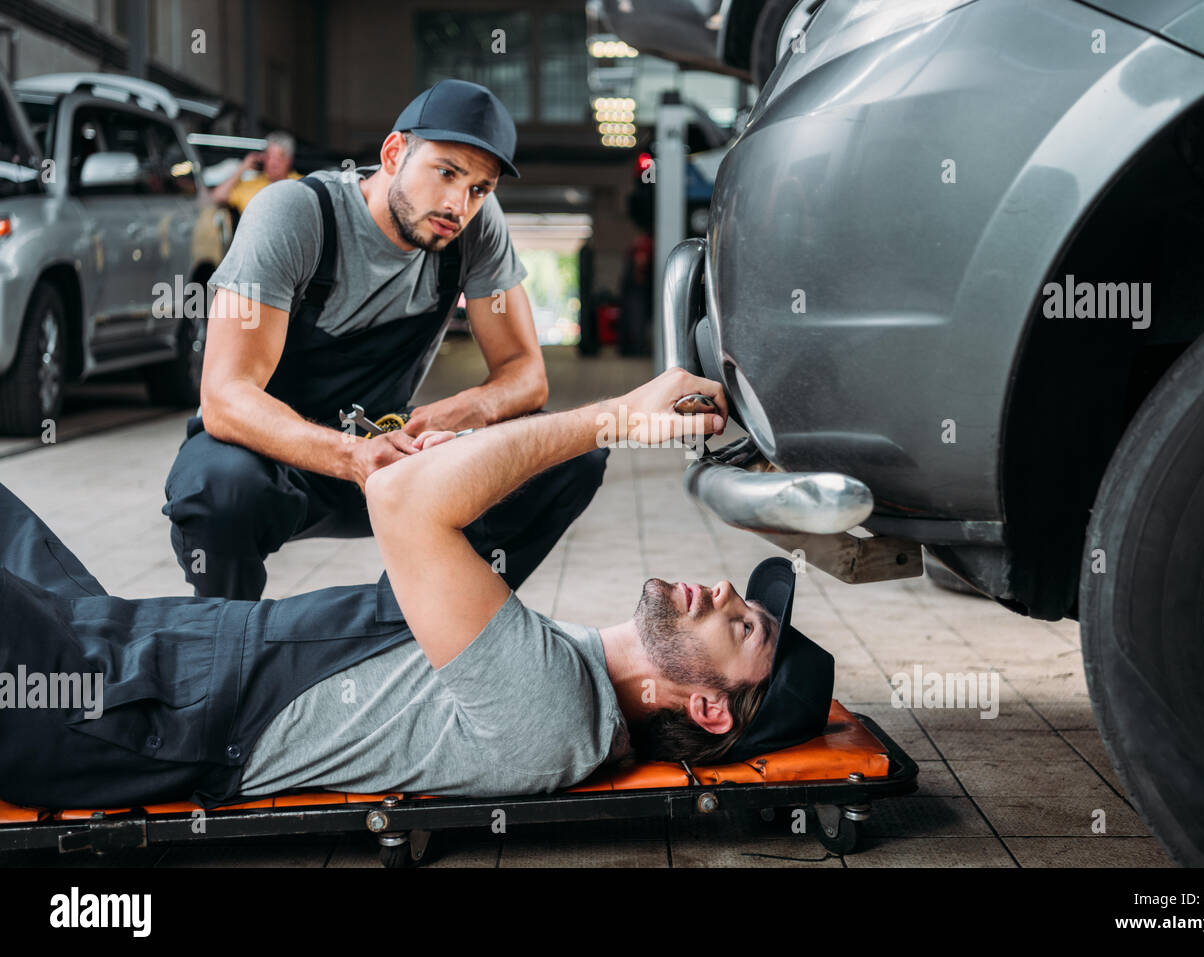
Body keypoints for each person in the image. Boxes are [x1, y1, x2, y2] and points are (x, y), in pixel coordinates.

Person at [0, 368, 835, 811]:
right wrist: (476, 430)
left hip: (109, 708)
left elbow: (396, 501)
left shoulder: (551, 711)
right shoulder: (558, 664)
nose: (728, 586)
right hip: (124, 639)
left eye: (747, 625)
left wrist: (620, 412)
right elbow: (543, 474)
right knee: (569, 467)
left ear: (710, 710)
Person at [163, 79, 610, 601]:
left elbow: (525, 375)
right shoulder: (293, 214)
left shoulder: (476, 230)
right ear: (395, 153)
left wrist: (456, 414)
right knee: (220, 489)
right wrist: (350, 454)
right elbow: (225, 397)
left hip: (389, 453)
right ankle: (227, 648)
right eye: (446, 172)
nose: (457, 205)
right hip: (276, 458)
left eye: (479, 188)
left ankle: (418, 623)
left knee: (566, 455)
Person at [208, 130, 302, 216]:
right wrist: (242, 168)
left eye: (279, 157)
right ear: (263, 158)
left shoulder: (301, 184)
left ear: (289, 160)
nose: (273, 163)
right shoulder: (250, 185)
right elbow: (216, 197)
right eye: (269, 156)